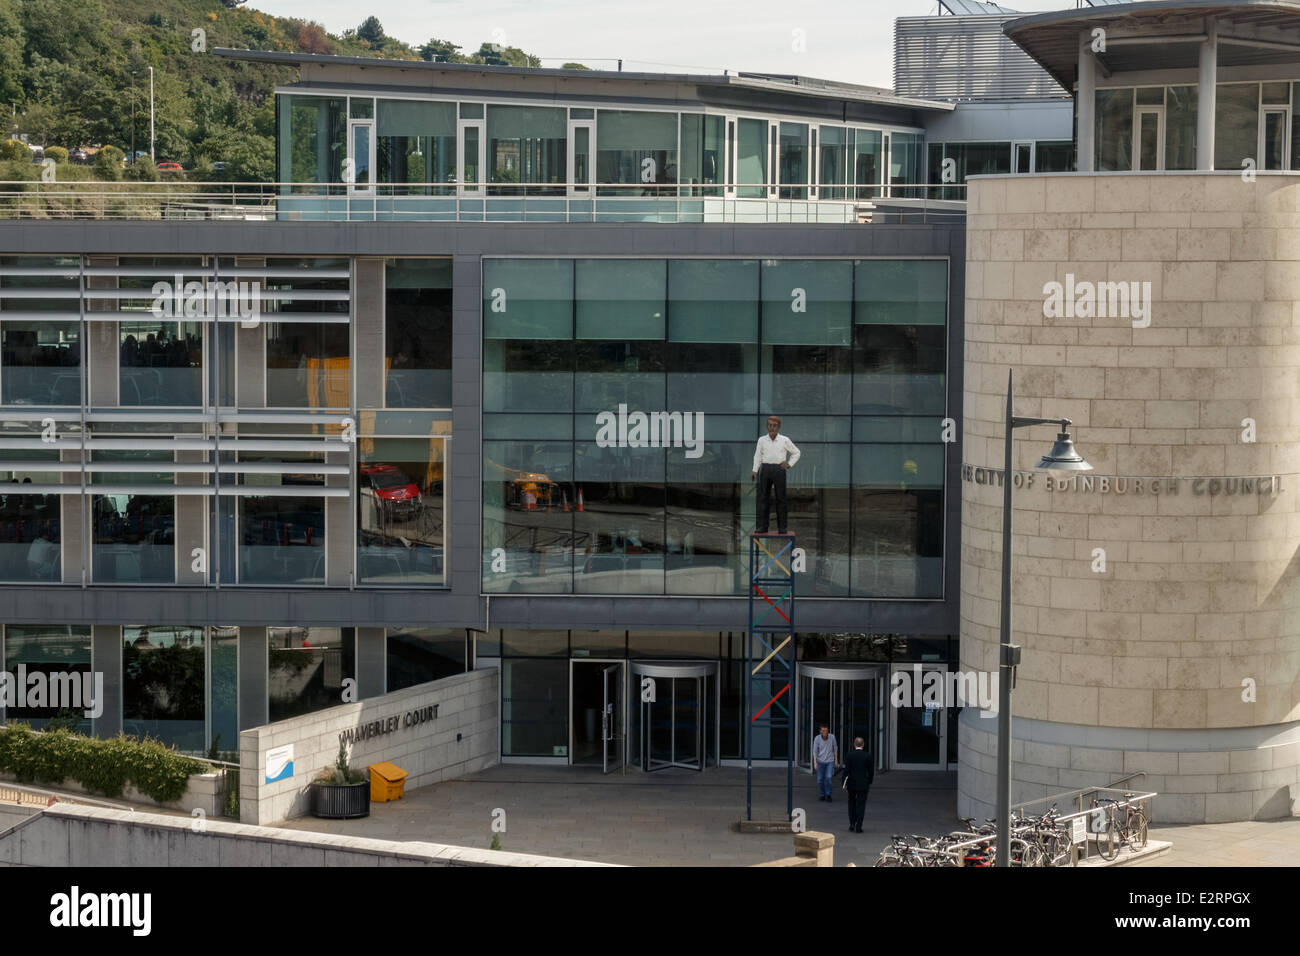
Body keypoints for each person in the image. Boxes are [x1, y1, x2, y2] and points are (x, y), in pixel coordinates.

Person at [751, 415, 800, 534]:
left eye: (774, 425)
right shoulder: (761, 440)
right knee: (763, 499)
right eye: (769, 425)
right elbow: (757, 456)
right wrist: (755, 470)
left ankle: (782, 527)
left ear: (779, 427)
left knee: (781, 499)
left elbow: (796, 452)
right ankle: (762, 526)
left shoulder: (784, 440)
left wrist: (789, 464)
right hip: (765, 469)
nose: (772, 428)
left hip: (779, 469)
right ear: (767, 426)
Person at [844, 736, 874, 833]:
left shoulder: (849, 755)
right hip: (863, 783)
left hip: (852, 783)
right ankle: (859, 826)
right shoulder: (867, 756)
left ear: (854, 745)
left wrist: (844, 782)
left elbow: (846, 770)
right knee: (861, 805)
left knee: (851, 803)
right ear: (863, 745)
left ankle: (852, 824)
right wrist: (870, 781)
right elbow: (870, 771)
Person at [812, 724, 838, 802]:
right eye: (823, 731)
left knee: (828, 778)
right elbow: (815, 751)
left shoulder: (832, 737)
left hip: (830, 761)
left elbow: (835, 749)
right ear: (820, 731)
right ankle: (822, 794)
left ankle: (828, 794)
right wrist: (815, 763)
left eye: (826, 730)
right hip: (820, 762)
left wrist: (836, 760)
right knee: (819, 780)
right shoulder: (817, 738)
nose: (825, 732)